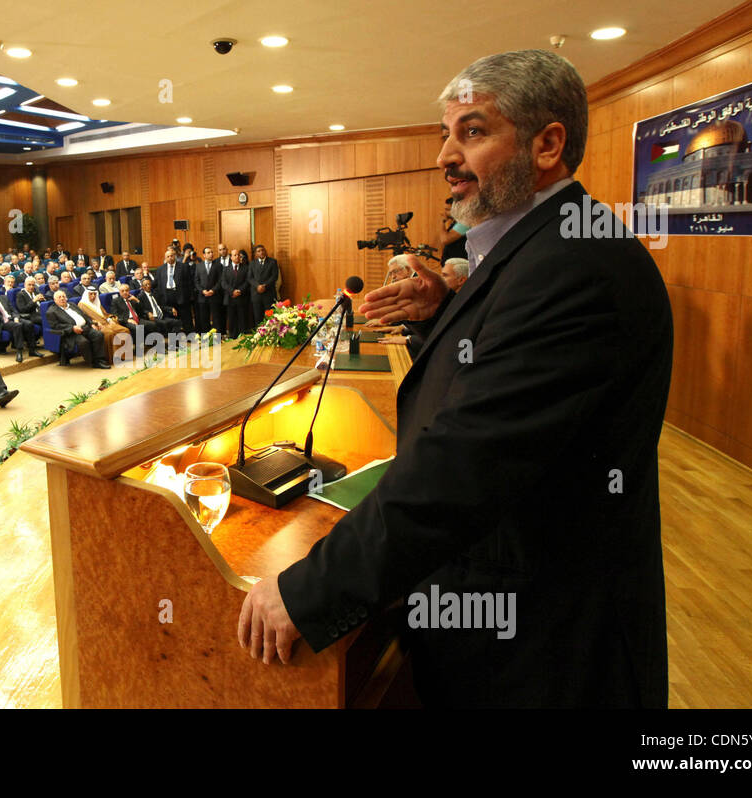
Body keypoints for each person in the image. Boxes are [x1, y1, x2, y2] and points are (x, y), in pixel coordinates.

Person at [238, 49, 674, 709]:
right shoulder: (540, 251)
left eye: (471, 131)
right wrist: (446, 315)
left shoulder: (572, 269)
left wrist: (309, 590)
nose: (444, 154)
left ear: (547, 143)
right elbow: (508, 373)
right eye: (446, 133)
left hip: (543, 657)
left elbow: (464, 467)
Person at [45, 290, 108, 369]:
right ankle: (93, 362)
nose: (62, 299)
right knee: (83, 342)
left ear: (66, 298)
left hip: (85, 328)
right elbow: (55, 326)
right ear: (55, 300)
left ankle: (100, 360)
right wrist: (72, 328)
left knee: (98, 334)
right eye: (59, 297)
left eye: (63, 296)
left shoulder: (72, 305)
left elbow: (84, 315)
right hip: (72, 333)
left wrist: (92, 323)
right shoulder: (51, 311)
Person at [0, 282, 39, 361]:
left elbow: (13, 310)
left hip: (12, 318)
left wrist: (16, 317)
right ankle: (19, 351)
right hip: (2, 322)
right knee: (17, 326)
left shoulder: (4, 297)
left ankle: (32, 350)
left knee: (29, 324)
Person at [78, 286, 129, 364]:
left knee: (124, 330)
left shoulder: (97, 303)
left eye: (94, 294)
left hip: (107, 323)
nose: (93, 296)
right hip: (97, 326)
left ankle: (124, 356)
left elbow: (105, 314)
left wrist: (110, 319)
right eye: (91, 294)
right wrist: (94, 323)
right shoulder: (82, 305)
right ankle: (113, 359)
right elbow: (85, 318)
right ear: (86, 294)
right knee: (110, 333)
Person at [193, 245, 223, 334]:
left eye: (212, 252)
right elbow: (196, 281)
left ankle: (216, 337)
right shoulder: (199, 266)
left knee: (216, 318)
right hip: (203, 296)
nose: (211, 254)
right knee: (204, 318)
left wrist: (213, 290)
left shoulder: (218, 265)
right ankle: (206, 337)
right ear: (204, 255)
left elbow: (220, 280)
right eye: (208, 253)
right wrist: (202, 291)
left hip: (214, 295)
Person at [248, 244, 280, 323]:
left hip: (268, 294)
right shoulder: (252, 263)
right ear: (256, 254)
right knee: (258, 317)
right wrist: (257, 286)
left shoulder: (272, 262)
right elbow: (249, 278)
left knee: (270, 318)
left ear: (265, 251)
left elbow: (274, 276)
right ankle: (259, 334)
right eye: (259, 251)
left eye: (262, 250)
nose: (261, 252)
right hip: (256, 294)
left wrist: (264, 285)